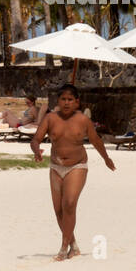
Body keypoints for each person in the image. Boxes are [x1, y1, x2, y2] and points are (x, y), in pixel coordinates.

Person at [31, 84, 115, 261]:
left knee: (69, 203)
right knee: (59, 210)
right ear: (58, 101)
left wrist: (106, 158)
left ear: (77, 102)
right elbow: (36, 139)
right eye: (63, 99)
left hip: (77, 166)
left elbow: (96, 140)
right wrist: (36, 150)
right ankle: (74, 246)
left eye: (70, 100)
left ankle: (63, 248)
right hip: (55, 167)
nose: (67, 103)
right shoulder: (50, 118)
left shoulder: (83, 120)